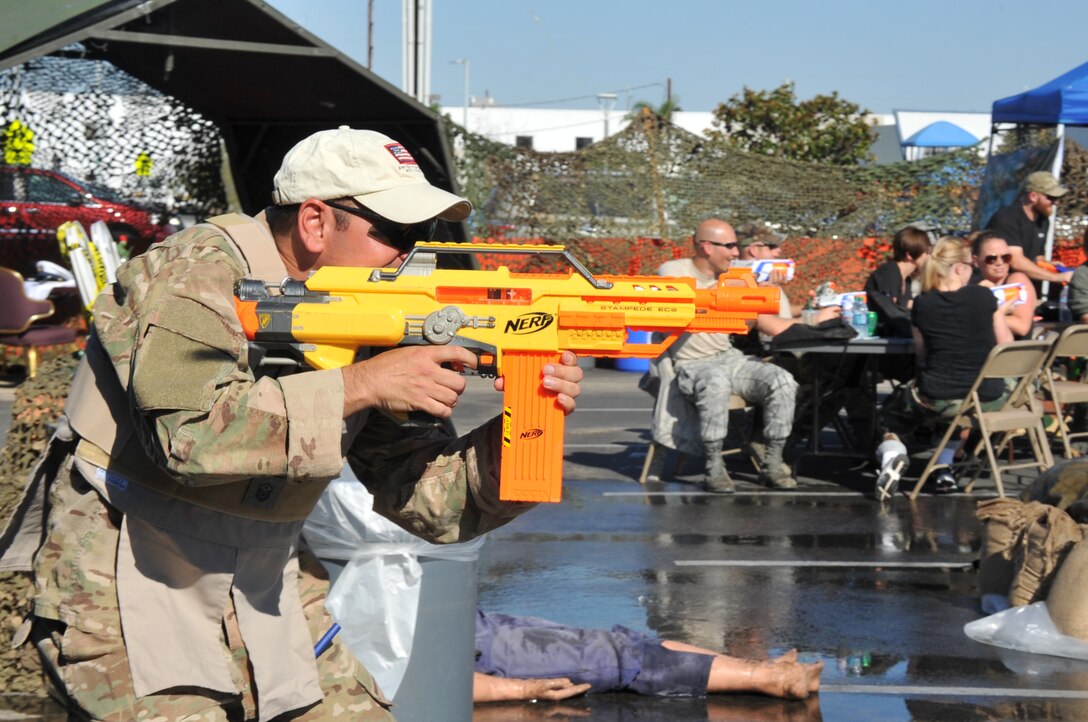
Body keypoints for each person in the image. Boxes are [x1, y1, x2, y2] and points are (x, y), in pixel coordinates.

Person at [0, 126, 585, 722]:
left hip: (264, 580)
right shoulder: (197, 270)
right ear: (314, 222)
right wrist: (366, 383)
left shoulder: (368, 309)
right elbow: (191, 438)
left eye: (426, 235)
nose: (415, 254)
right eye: (399, 234)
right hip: (132, 578)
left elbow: (429, 502)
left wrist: (526, 426)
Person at [655, 219, 836, 493]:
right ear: (705, 247)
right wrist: (730, 289)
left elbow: (746, 326)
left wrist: (758, 293)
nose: (735, 253)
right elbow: (681, 308)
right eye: (728, 246)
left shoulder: (734, 277)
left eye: (736, 246)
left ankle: (772, 462)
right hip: (690, 363)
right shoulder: (673, 271)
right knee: (715, 382)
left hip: (727, 356)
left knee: (782, 379)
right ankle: (713, 466)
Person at [874, 236, 1013, 499]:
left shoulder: (923, 304)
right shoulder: (984, 296)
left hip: (939, 395)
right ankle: (944, 468)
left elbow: (922, 353)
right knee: (957, 410)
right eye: (971, 265)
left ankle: (893, 455)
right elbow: (1005, 344)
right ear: (960, 268)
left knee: (889, 418)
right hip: (988, 397)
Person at [472, 610, 823, 702]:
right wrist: (520, 691)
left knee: (622, 644)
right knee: (616, 657)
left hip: (471, 625)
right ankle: (774, 679)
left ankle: (759, 669)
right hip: (471, 649)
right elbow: (426, 678)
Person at [984, 170, 1074, 288]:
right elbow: (1015, 261)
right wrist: (1056, 277)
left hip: (1025, 286)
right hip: (997, 286)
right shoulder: (1007, 217)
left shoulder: (1043, 221)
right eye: (1051, 198)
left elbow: (1037, 256)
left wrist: (1049, 265)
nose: (1056, 202)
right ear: (1033, 196)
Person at [863, 224, 931, 338]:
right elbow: (890, 310)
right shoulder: (889, 272)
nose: (928, 256)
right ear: (909, 255)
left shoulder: (906, 278)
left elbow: (909, 305)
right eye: (926, 252)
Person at [972, 230, 1037, 339]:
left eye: (1005, 257)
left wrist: (976, 318)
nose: (999, 262)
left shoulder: (1017, 280)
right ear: (976, 260)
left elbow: (1022, 327)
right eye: (991, 259)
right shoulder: (972, 284)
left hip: (1011, 352)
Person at [736, 221, 795, 318]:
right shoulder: (743, 282)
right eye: (772, 246)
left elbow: (783, 312)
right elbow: (770, 326)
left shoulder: (764, 277)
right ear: (754, 250)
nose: (778, 251)